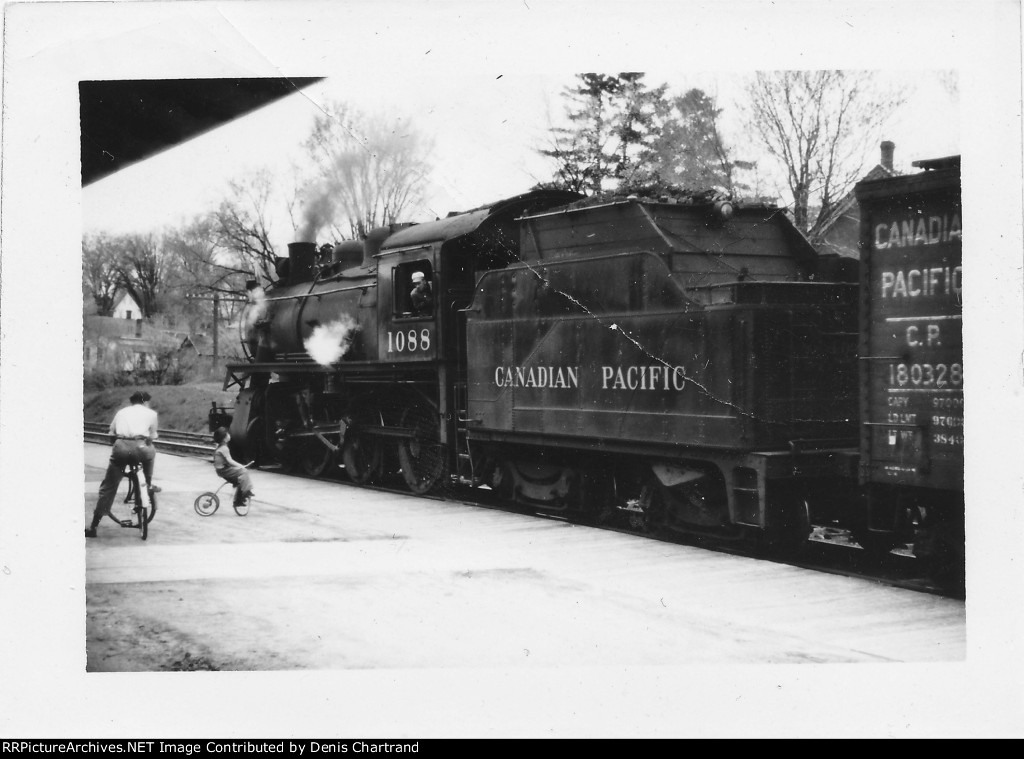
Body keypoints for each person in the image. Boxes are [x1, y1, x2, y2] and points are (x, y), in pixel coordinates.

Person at [85, 391, 160, 538]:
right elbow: (152, 436)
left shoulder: (121, 412)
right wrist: (146, 442)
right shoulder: (151, 414)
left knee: (109, 486)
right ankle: (148, 485)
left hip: (121, 448)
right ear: (144, 402)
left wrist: (117, 446)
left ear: (133, 402)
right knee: (150, 456)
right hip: (141, 447)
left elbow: (111, 433)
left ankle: (93, 526)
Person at [212, 427, 255, 507]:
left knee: (240, 480)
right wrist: (241, 466)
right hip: (224, 470)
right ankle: (246, 491)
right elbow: (230, 461)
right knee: (244, 472)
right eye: (227, 434)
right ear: (224, 438)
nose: (229, 435)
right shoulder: (224, 448)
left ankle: (238, 501)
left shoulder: (221, 446)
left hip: (222, 470)